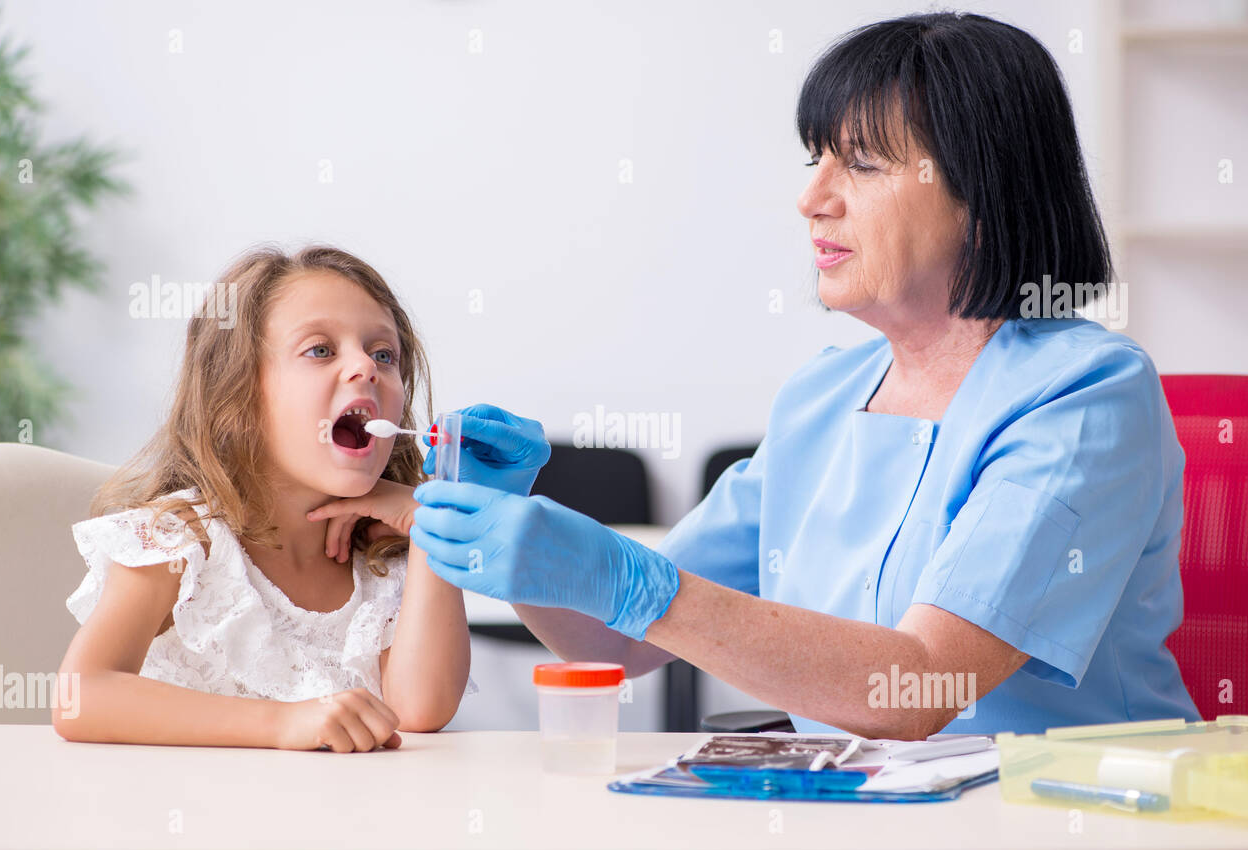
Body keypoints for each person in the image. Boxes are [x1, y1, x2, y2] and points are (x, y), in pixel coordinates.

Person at [407, 13, 1202, 738]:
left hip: (1065, 822)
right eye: (815, 159)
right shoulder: (822, 399)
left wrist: (633, 583)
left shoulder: (1087, 395)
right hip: (856, 816)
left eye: (861, 164)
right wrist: (506, 521)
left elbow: (918, 685)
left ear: (981, 192)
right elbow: (618, 640)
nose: (811, 198)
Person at [55, 245, 476, 751]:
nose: (365, 366)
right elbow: (81, 697)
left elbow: (418, 712)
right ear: (239, 394)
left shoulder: (384, 558)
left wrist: (430, 522)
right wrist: (281, 724)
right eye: (321, 350)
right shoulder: (184, 542)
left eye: (383, 354)